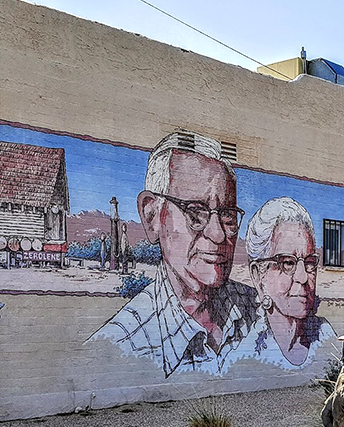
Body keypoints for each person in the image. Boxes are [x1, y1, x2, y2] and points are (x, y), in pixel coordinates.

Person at [90, 131, 257, 377]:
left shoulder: (259, 310)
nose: (219, 234)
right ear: (152, 217)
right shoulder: (119, 344)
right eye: (195, 212)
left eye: (228, 215)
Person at [245, 197, 334, 366]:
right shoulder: (246, 350)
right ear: (258, 276)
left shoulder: (326, 336)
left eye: (309, 263)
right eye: (288, 263)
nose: (303, 277)